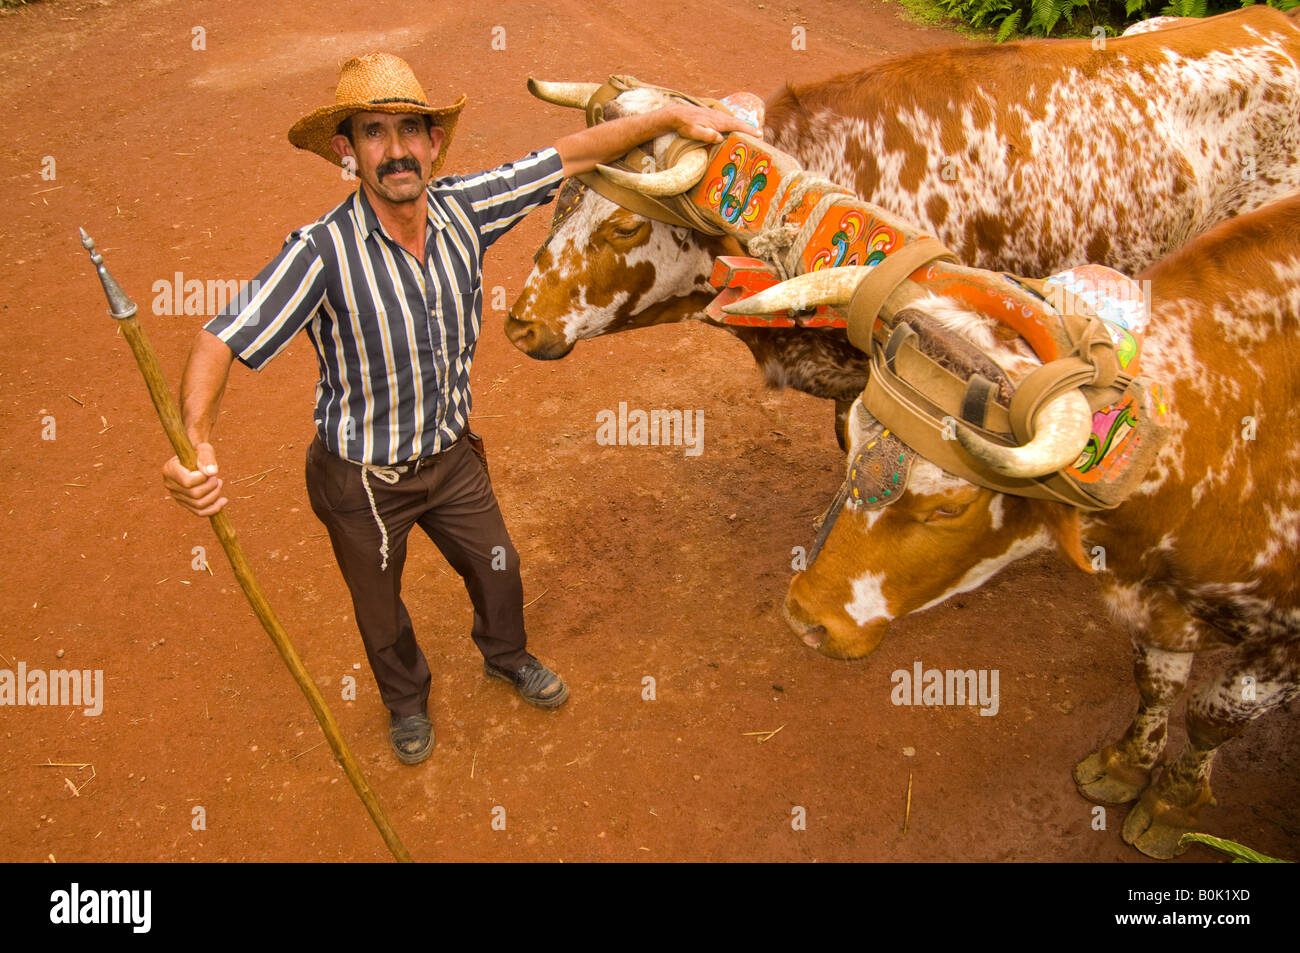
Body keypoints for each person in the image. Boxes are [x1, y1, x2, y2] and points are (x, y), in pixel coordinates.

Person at [161, 52, 750, 765]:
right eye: (373, 133)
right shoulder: (320, 253)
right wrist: (196, 440)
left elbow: (568, 153)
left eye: (411, 129)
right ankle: (405, 700)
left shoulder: (467, 208)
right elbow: (220, 338)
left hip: (449, 456)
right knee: (380, 611)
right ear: (347, 152)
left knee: (499, 567)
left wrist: (675, 116)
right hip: (362, 480)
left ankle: (506, 655)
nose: (397, 150)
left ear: (434, 142)